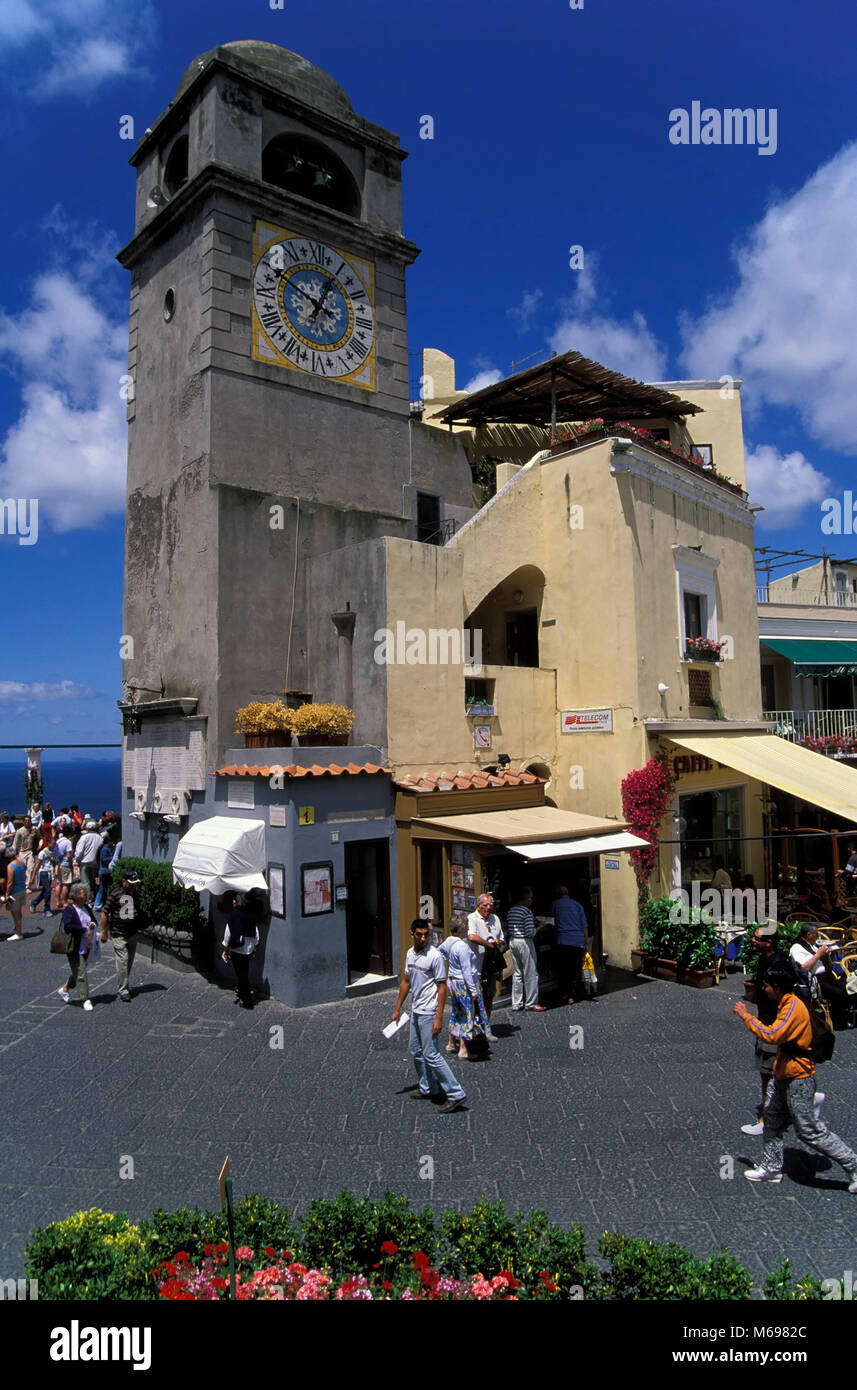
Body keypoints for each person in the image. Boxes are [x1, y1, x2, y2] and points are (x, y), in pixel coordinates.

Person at [733, 964, 857, 1189]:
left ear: (777, 988)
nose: (764, 989)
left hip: (798, 1077)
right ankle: (771, 1167)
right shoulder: (786, 1003)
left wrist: (747, 1018)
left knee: (810, 1132)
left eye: (767, 986)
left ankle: (854, 1165)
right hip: (783, 1074)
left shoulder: (792, 1008)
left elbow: (772, 1035)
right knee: (771, 1118)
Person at [739, 925, 822, 1135]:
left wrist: (748, 1016)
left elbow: (781, 999)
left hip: (773, 1023)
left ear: (769, 942)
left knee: (767, 1073)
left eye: (757, 939)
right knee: (776, 1072)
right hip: (769, 1020)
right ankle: (808, 1099)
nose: (753, 941)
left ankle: (765, 1119)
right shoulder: (767, 960)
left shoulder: (777, 964)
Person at [391, 919, 467, 1112]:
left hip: (429, 1012)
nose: (424, 938)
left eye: (426, 935)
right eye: (419, 934)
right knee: (415, 1051)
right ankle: (428, 1088)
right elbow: (406, 982)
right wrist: (397, 1009)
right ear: (412, 935)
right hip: (416, 1011)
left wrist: (439, 1018)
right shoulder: (410, 954)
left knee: (431, 1054)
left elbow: (442, 987)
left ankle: (455, 1093)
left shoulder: (435, 956)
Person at [438, 914, 489, 1060]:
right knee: (467, 1014)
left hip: (453, 982)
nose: (468, 929)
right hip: (464, 984)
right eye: (466, 926)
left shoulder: (448, 941)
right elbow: (467, 972)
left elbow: (440, 952)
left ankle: (451, 1042)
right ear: (462, 929)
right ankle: (463, 1048)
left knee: (456, 1011)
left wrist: (449, 966)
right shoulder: (463, 947)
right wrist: (473, 991)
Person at [790, 922, 849, 1032]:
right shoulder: (797, 948)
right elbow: (804, 968)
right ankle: (839, 1023)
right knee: (839, 993)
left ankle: (844, 1017)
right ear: (808, 935)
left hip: (826, 976)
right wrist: (818, 955)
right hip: (815, 981)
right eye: (816, 934)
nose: (818, 937)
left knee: (846, 986)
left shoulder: (812, 945)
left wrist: (824, 955)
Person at [101, 869, 144, 1002]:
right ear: (124, 882)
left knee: (128, 962)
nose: (133, 886)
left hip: (132, 933)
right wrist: (104, 932)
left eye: (135, 883)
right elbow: (104, 912)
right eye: (131, 883)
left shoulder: (135, 893)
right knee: (123, 961)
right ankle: (123, 990)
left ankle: (124, 983)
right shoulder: (115, 894)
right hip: (118, 934)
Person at [466, 893, 505, 1041]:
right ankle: (471, 1028)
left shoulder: (495, 919)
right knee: (474, 997)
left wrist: (497, 942)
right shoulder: (472, 918)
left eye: (490, 905)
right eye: (485, 905)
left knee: (488, 996)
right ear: (478, 906)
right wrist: (489, 944)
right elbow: (472, 936)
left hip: (490, 964)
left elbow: (501, 938)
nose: (488, 908)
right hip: (476, 965)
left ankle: (486, 1027)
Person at [506, 886, 547, 1012]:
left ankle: (516, 1002)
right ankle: (531, 1003)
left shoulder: (511, 911)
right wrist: (541, 927)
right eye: (531, 897)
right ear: (526, 898)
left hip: (513, 941)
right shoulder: (526, 911)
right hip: (524, 942)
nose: (532, 900)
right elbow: (530, 932)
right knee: (531, 973)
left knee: (517, 973)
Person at [57, 884, 97, 1011]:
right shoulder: (69, 910)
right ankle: (85, 999)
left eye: (85, 893)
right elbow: (68, 926)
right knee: (81, 972)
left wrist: (92, 924)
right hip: (74, 946)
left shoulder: (86, 907)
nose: (85, 895)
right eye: (82, 893)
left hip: (87, 944)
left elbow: (93, 920)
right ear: (75, 896)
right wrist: (83, 929)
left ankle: (65, 989)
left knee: (78, 971)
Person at [550, 884, 590, 1005]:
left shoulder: (555, 904)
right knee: (575, 969)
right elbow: (584, 927)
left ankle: (565, 993)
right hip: (577, 941)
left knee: (563, 969)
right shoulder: (578, 905)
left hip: (562, 941)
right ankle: (572, 995)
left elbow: (549, 921)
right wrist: (585, 943)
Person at [220, 891, 259, 1009]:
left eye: (234, 900)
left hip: (238, 949)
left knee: (241, 975)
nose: (233, 902)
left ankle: (247, 1000)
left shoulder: (233, 916)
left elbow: (228, 934)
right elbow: (256, 932)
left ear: (236, 902)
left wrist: (225, 949)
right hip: (249, 948)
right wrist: (254, 946)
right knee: (244, 972)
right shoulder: (250, 915)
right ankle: (242, 993)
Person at [74, 820, 103, 902]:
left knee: (85, 883)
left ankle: (88, 900)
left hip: (84, 863)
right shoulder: (100, 838)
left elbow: (79, 852)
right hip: (95, 863)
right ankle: (93, 897)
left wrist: (77, 860)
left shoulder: (84, 838)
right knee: (92, 881)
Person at [4, 845, 28, 940]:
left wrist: (6, 894)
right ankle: (17, 927)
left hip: (15, 891)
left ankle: (18, 933)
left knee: (15, 912)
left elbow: (10, 882)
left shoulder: (10, 866)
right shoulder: (21, 863)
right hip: (22, 888)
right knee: (18, 912)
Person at [29, 838, 56, 916]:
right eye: (53, 843)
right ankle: (46, 909)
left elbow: (55, 862)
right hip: (43, 872)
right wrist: (33, 877)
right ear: (48, 843)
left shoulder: (54, 852)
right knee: (48, 890)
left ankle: (33, 902)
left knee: (45, 891)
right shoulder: (42, 853)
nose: (54, 845)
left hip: (50, 873)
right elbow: (37, 864)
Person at [93, 833, 116, 912]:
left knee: (102, 888)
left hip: (104, 871)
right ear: (108, 842)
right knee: (102, 889)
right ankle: (98, 904)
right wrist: (113, 858)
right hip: (105, 871)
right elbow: (103, 860)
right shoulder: (105, 849)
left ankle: (98, 904)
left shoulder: (105, 848)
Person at [54, 824, 74, 909]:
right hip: (65, 864)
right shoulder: (68, 842)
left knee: (59, 883)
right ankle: (64, 901)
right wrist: (71, 864)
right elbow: (68, 855)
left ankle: (58, 902)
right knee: (66, 884)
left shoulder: (58, 841)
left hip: (58, 864)